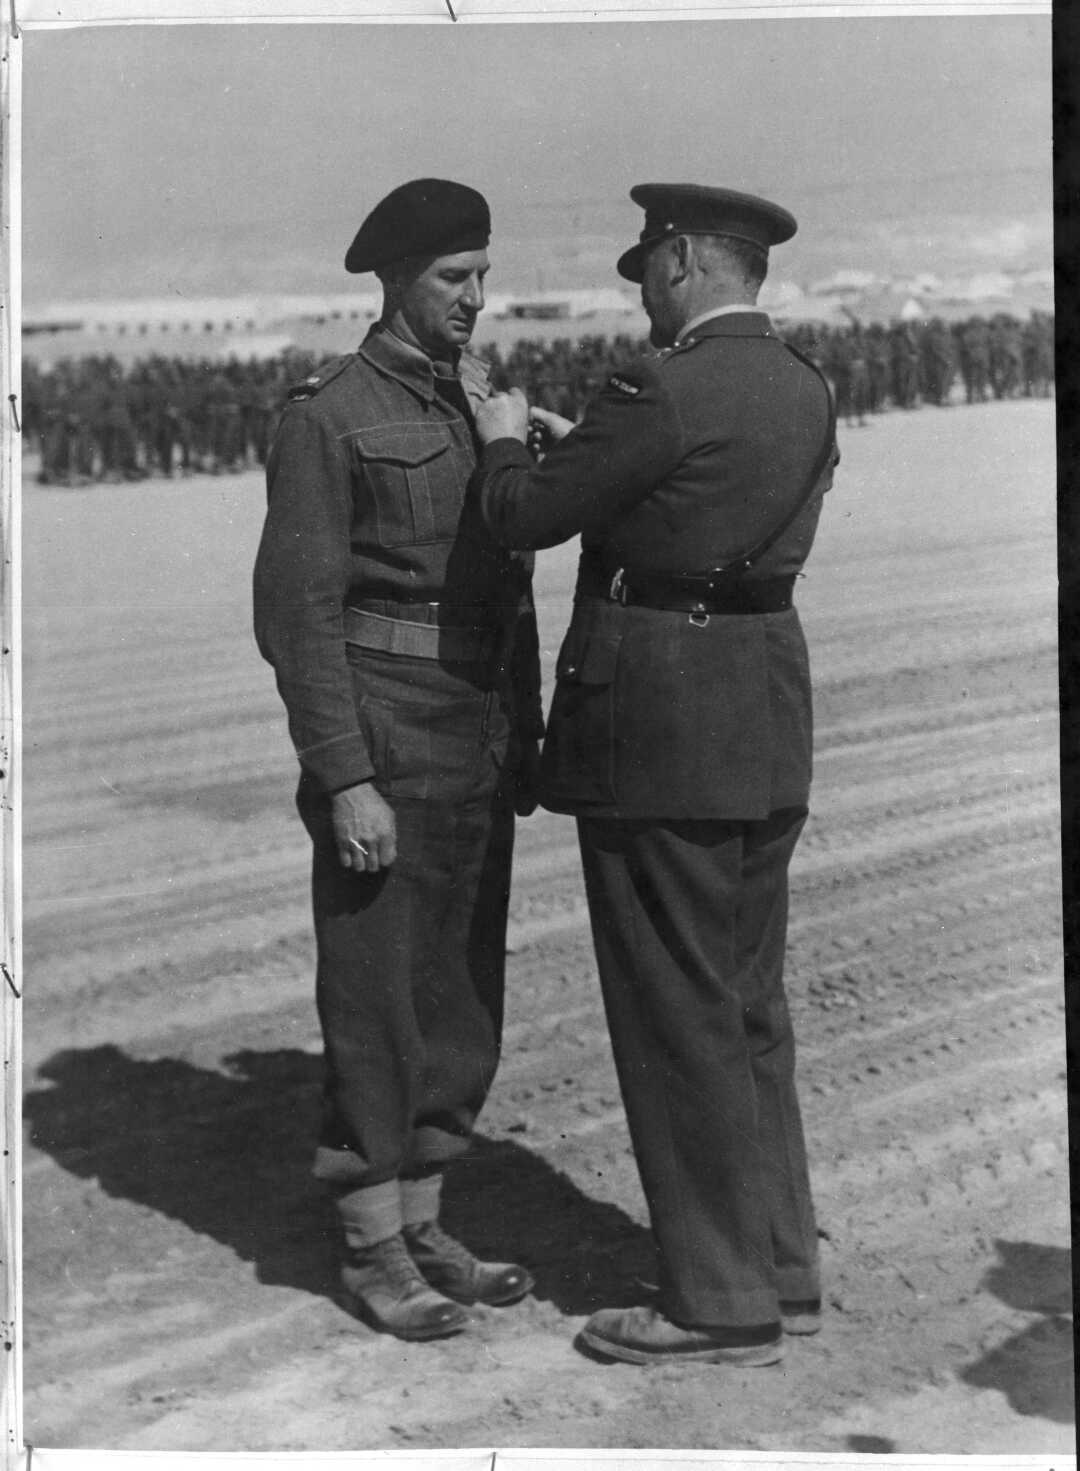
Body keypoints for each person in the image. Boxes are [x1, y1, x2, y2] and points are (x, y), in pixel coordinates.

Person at [474, 183, 838, 1366]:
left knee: (675, 1010)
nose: (640, 295)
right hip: (762, 711)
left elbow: (524, 516)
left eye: (646, 269)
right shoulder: (804, 386)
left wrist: (498, 439)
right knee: (746, 1007)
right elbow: (691, 499)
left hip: (661, 729)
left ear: (681, 259)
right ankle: (780, 1264)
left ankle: (719, 1297)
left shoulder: (659, 388)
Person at [253, 178, 543, 1343]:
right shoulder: (330, 414)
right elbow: (297, 615)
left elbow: (507, 589)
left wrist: (515, 734)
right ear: (394, 281)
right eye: (452, 279)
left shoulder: (475, 405)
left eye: (481, 274)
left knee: (460, 994)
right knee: (377, 997)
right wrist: (344, 775)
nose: (475, 298)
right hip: (384, 734)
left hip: (472, 733)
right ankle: (372, 1244)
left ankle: (425, 1220)